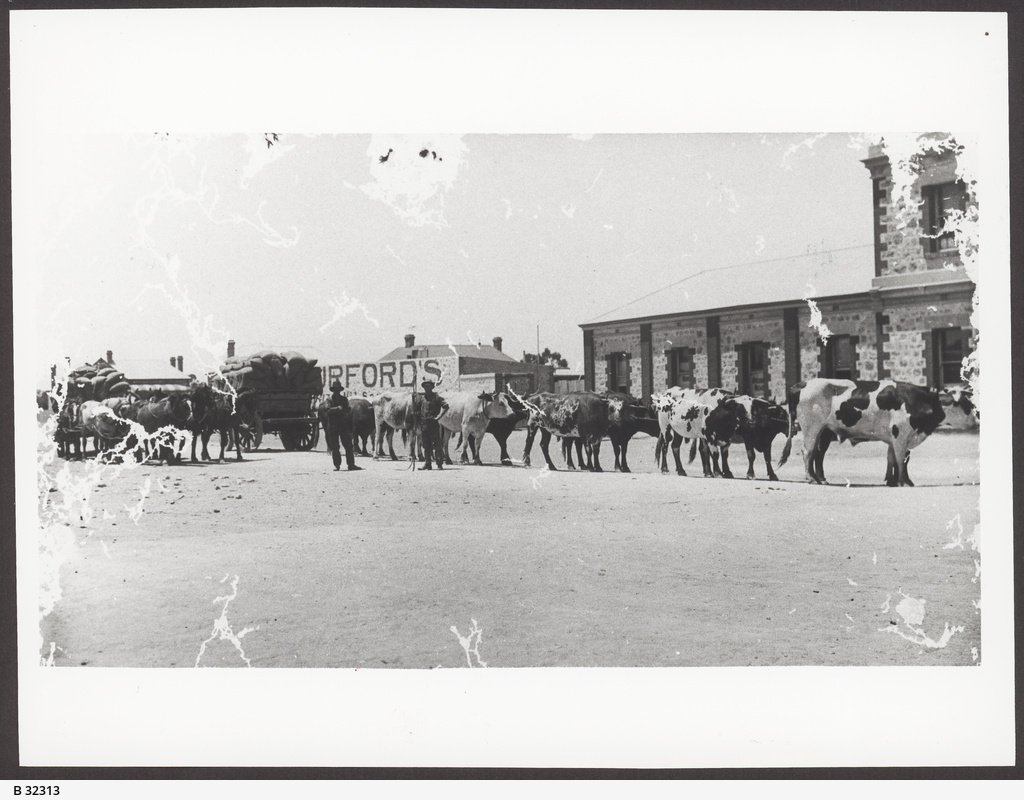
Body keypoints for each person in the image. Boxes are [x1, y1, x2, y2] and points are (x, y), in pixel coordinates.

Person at [324, 380, 361, 471]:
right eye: (335, 390)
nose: (337, 392)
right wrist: (339, 409)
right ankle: (337, 465)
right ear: (333, 391)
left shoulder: (344, 399)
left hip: (342, 425)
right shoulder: (329, 399)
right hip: (332, 426)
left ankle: (351, 464)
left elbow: (347, 410)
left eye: (338, 390)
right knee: (335, 446)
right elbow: (328, 410)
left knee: (348, 445)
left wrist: (338, 410)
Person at [416, 379, 449, 470]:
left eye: (428, 386)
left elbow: (446, 406)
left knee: (437, 445)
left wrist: (438, 417)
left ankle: (439, 464)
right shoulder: (422, 398)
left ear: (432, 387)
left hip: (433, 424)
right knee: (426, 445)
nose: (426, 388)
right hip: (424, 424)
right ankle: (427, 464)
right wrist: (413, 398)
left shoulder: (436, 397)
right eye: (425, 386)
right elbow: (416, 410)